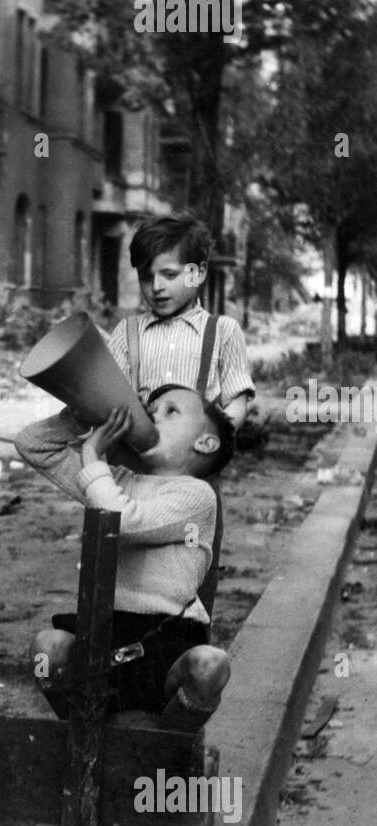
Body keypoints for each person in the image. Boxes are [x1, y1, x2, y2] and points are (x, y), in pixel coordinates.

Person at [14, 389, 235, 731]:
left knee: (210, 665)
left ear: (205, 443)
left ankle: (167, 748)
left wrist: (92, 458)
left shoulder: (198, 496)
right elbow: (32, 445)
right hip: (105, 632)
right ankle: (82, 735)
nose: (152, 416)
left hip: (165, 641)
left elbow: (123, 523)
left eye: (171, 410)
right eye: (150, 409)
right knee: (46, 650)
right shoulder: (113, 481)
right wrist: (77, 420)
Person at [105, 213, 256, 623]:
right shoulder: (128, 334)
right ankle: (123, 670)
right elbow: (110, 398)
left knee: (193, 577)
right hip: (136, 479)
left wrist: (208, 436)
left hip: (195, 480)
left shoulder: (222, 331)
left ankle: (189, 664)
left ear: (198, 272)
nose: (156, 286)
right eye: (146, 275)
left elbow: (237, 398)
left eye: (169, 274)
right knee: (124, 572)